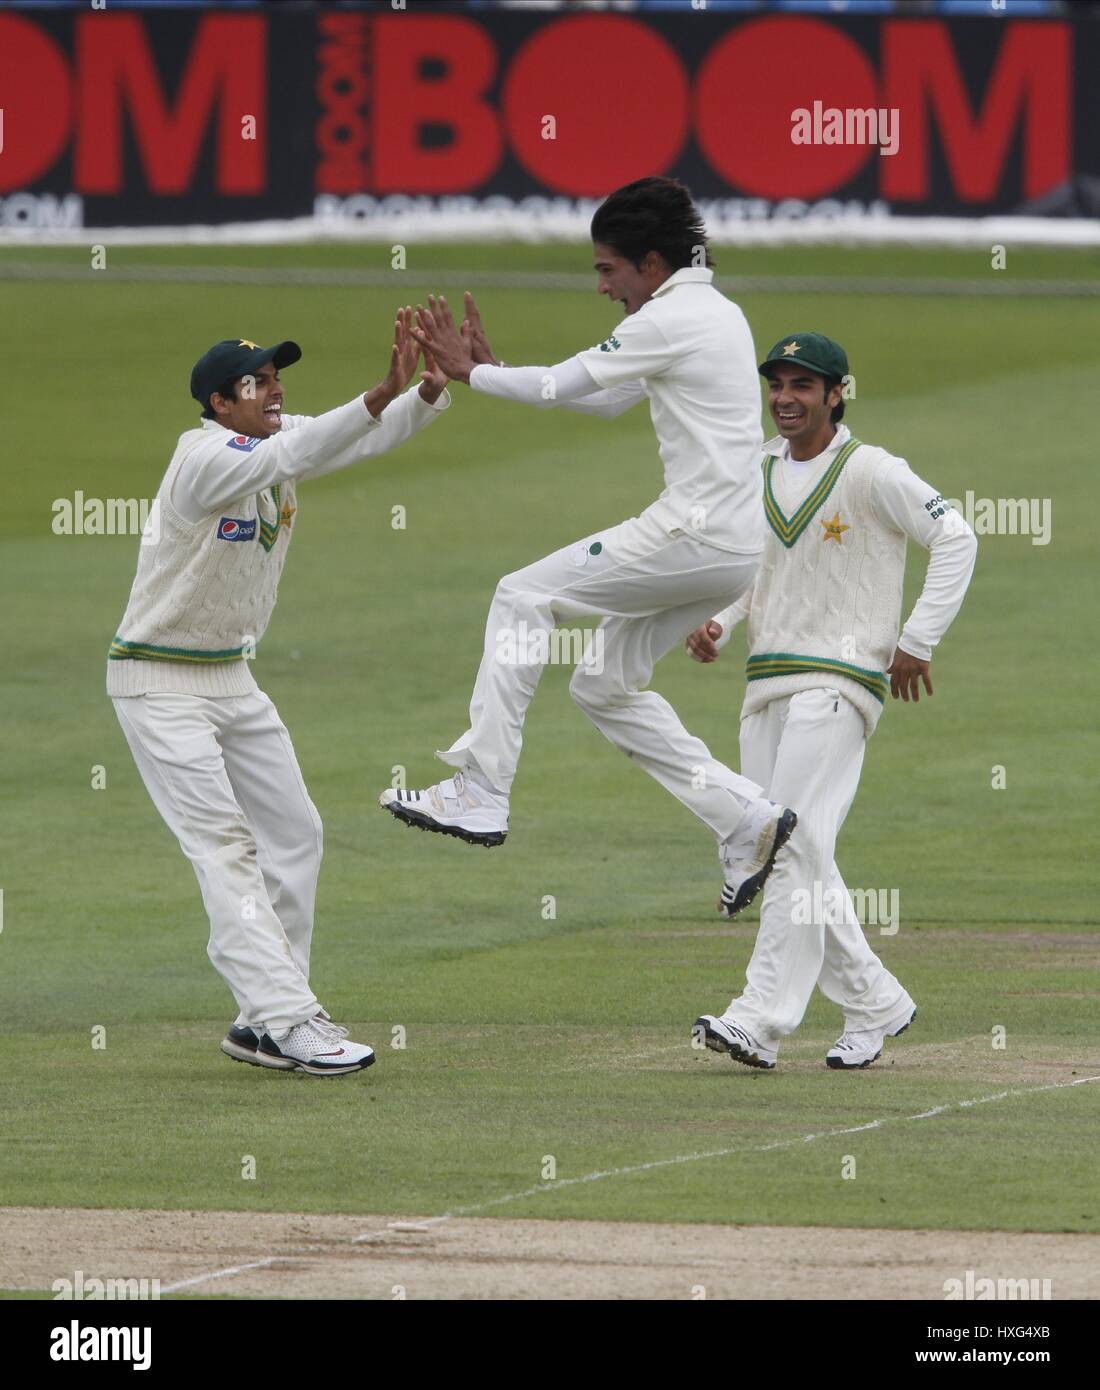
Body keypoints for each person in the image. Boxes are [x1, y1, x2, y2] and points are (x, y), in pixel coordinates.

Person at [380, 176, 796, 917]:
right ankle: (746, 818)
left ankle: (480, 789)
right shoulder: (715, 312)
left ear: (653, 262)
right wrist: (497, 370)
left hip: (693, 534)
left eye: (610, 269)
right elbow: (601, 396)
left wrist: (475, 372)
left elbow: (560, 385)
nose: (603, 286)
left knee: (522, 595)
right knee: (602, 683)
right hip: (731, 550)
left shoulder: (673, 316)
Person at [109, 316, 449, 1076]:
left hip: (231, 676)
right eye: (257, 381)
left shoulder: (272, 438)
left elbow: (350, 437)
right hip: (158, 680)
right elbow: (309, 442)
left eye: (274, 377)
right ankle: (288, 1016)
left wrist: (422, 395)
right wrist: (375, 395)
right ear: (220, 403)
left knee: (296, 832)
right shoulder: (204, 459)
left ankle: (259, 1022)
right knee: (225, 846)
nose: (274, 389)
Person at [689, 332, 977, 1070]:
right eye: (777, 385)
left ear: (837, 392)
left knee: (782, 841)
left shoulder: (871, 470)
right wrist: (721, 620)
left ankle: (761, 1018)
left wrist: (918, 638)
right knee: (798, 848)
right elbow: (755, 562)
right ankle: (873, 1001)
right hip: (767, 682)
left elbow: (956, 535)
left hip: (841, 679)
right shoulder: (756, 467)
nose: (785, 398)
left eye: (802, 386)